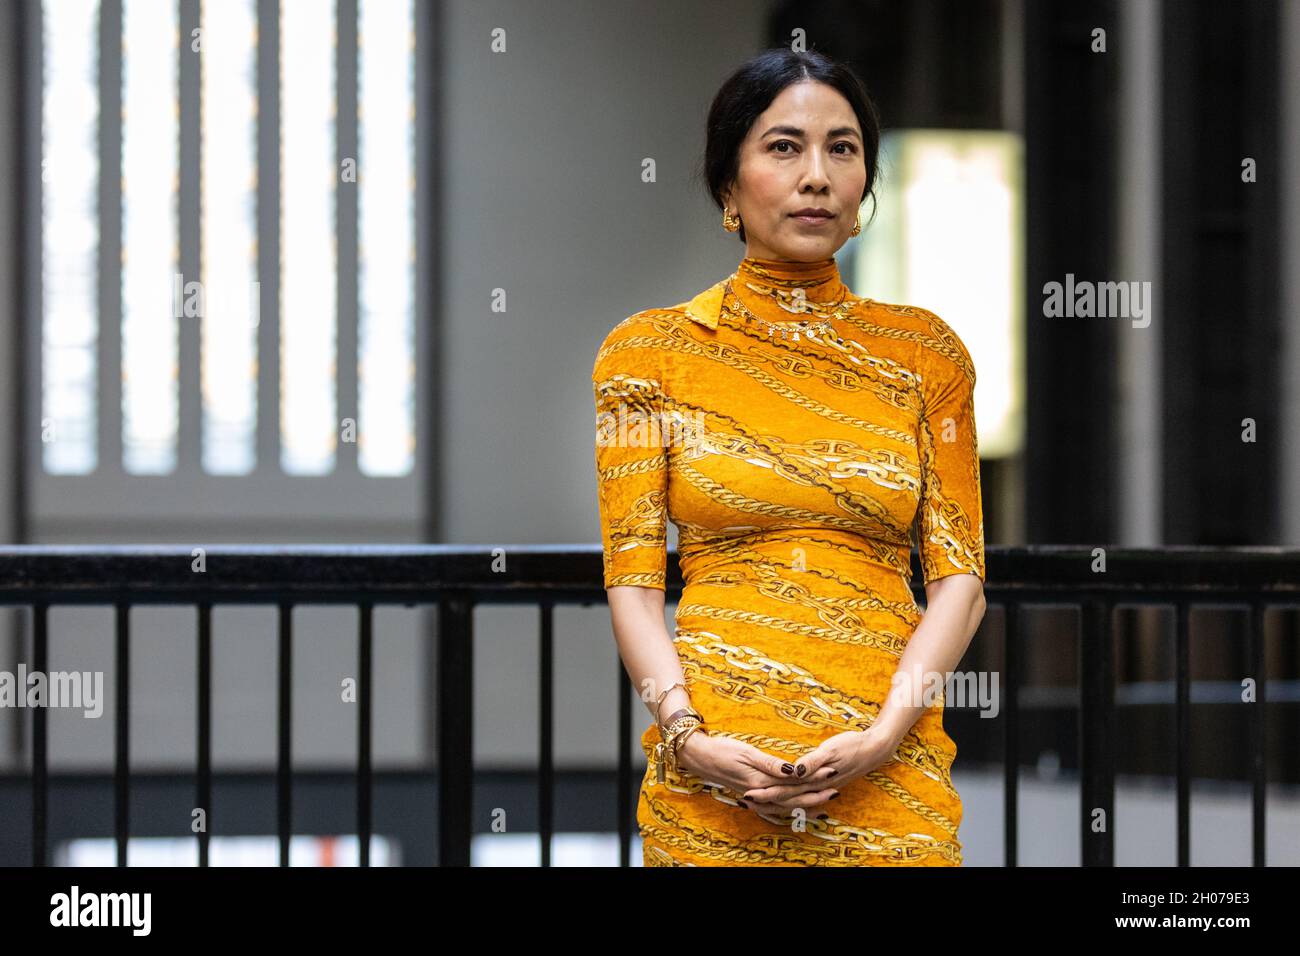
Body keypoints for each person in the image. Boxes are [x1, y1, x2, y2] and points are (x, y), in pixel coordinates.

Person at [592, 48, 986, 866]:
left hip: (889, 783)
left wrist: (883, 737)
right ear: (728, 187)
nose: (817, 175)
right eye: (784, 146)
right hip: (712, 784)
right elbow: (632, 585)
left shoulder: (925, 355)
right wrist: (686, 735)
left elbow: (961, 581)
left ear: (865, 185)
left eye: (842, 149)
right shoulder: (646, 357)